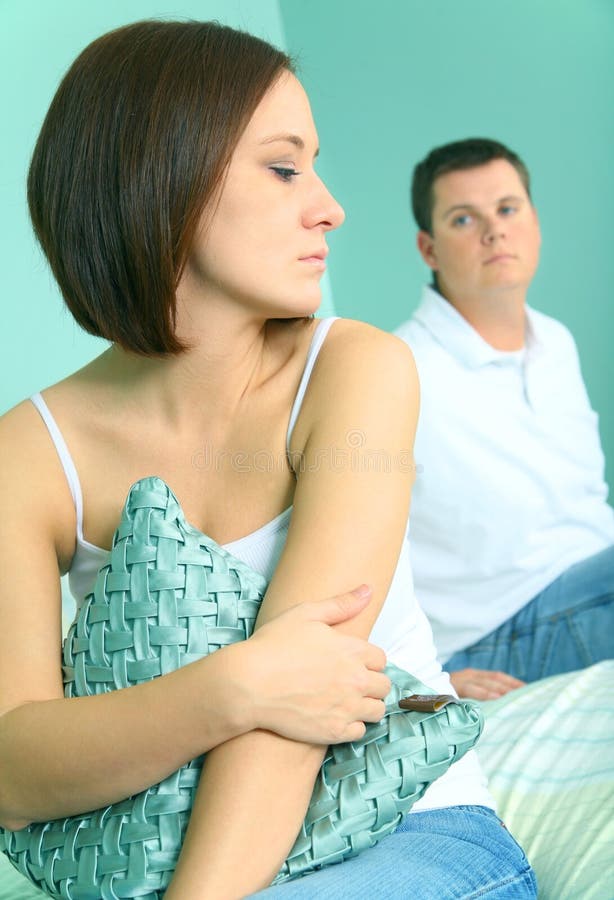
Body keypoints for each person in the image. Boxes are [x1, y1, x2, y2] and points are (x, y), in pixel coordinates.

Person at [0, 27, 536, 898]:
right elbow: (12, 771)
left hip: (410, 836)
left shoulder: (355, 369)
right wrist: (232, 686)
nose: (330, 207)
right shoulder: (26, 455)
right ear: (161, 177)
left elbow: (306, 715)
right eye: (285, 168)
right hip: (161, 862)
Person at [395, 137, 614, 701]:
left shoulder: (555, 343)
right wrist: (422, 679)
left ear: (535, 223)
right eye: (463, 219)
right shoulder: (399, 372)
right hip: (498, 634)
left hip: (594, 588)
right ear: (429, 248)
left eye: (508, 209)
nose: (494, 231)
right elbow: (343, 553)